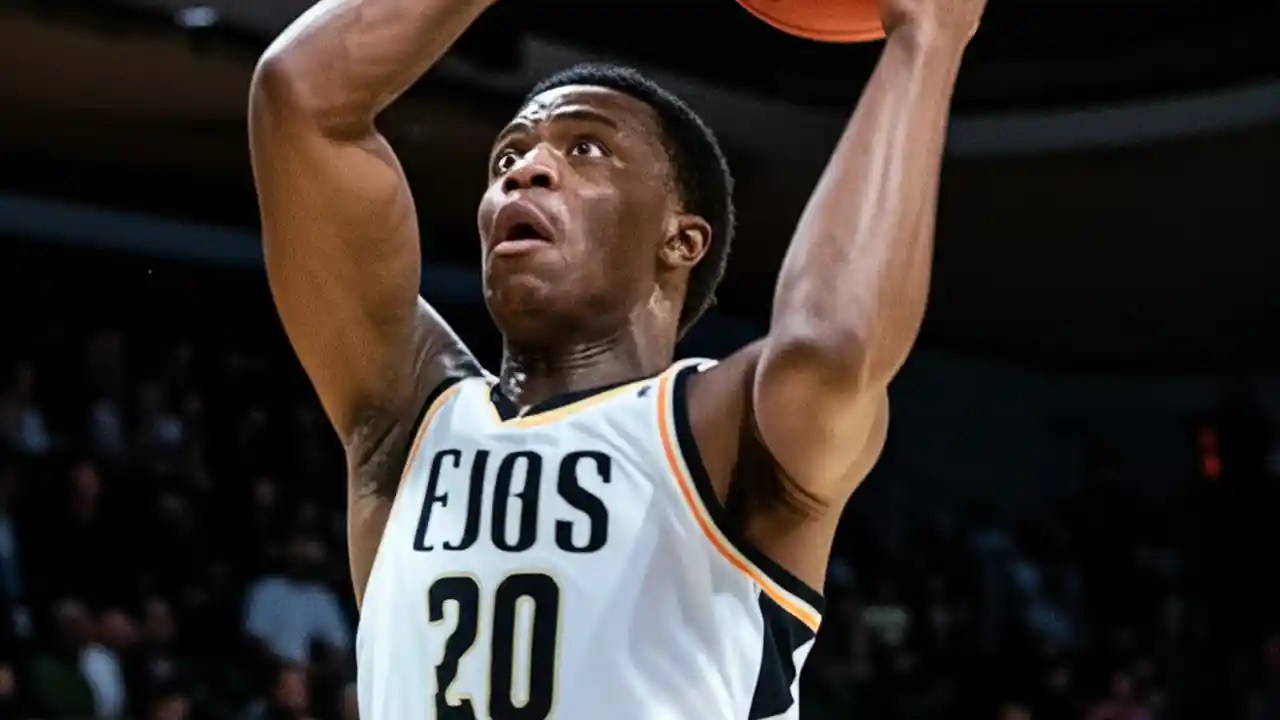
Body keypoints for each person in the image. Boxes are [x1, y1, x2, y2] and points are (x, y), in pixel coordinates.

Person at [248, 0, 987, 716]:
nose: (526, 169)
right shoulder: (405, 417)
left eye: (585, 148)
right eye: (509, 154)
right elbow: (302, 100)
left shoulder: (720, 427)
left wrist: (925, 38)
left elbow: (831, 344)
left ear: (681, 240)